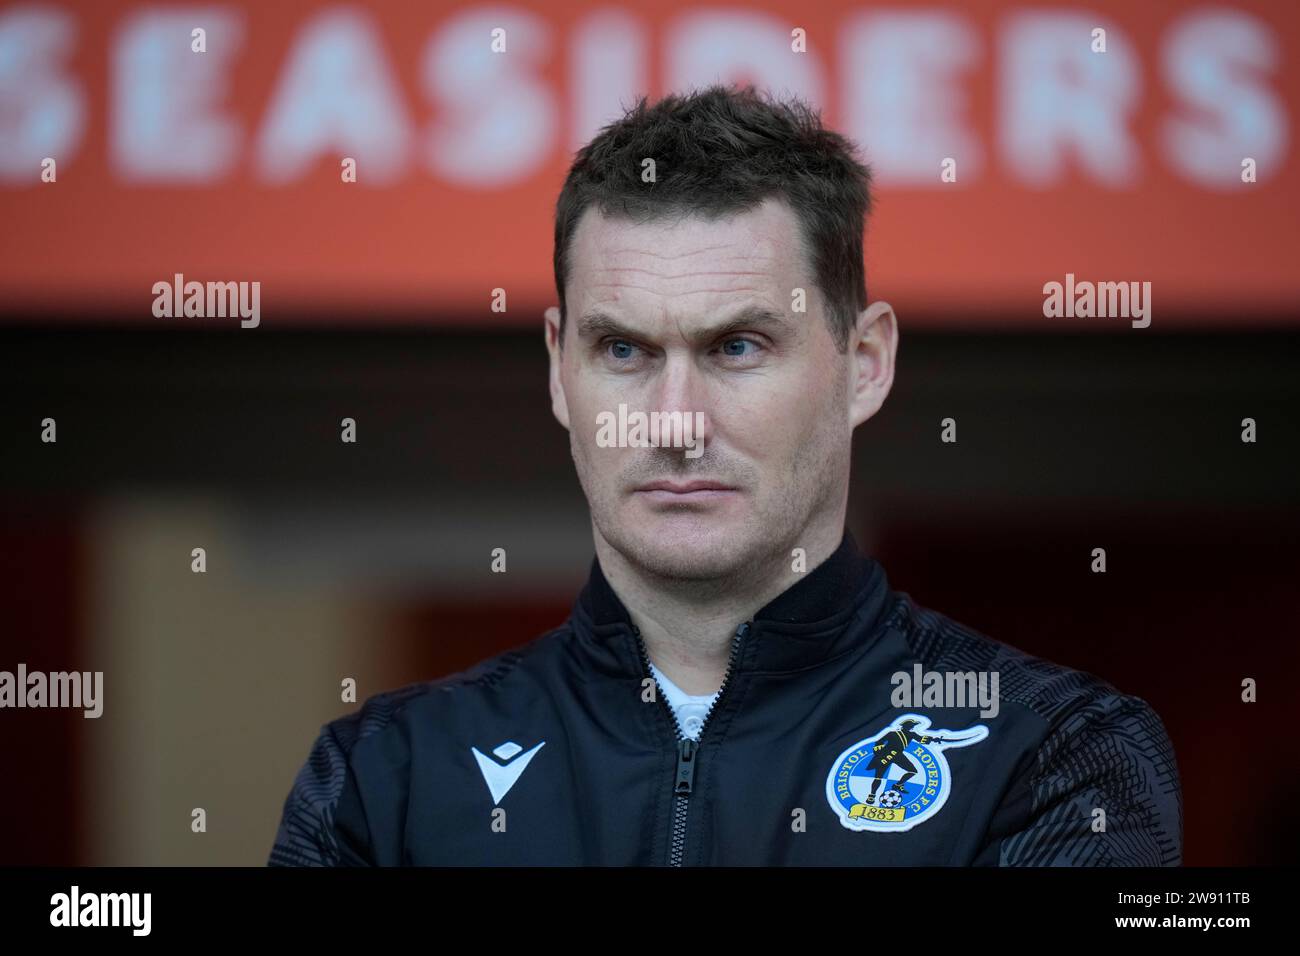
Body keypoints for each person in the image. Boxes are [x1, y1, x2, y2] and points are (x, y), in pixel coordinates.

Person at [269, 84, 1181, 866]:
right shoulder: (385, 776)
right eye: (622, 348)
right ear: (558, 369)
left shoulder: (1055, 753)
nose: (674, 421)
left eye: (738, 346)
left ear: (864, 362)